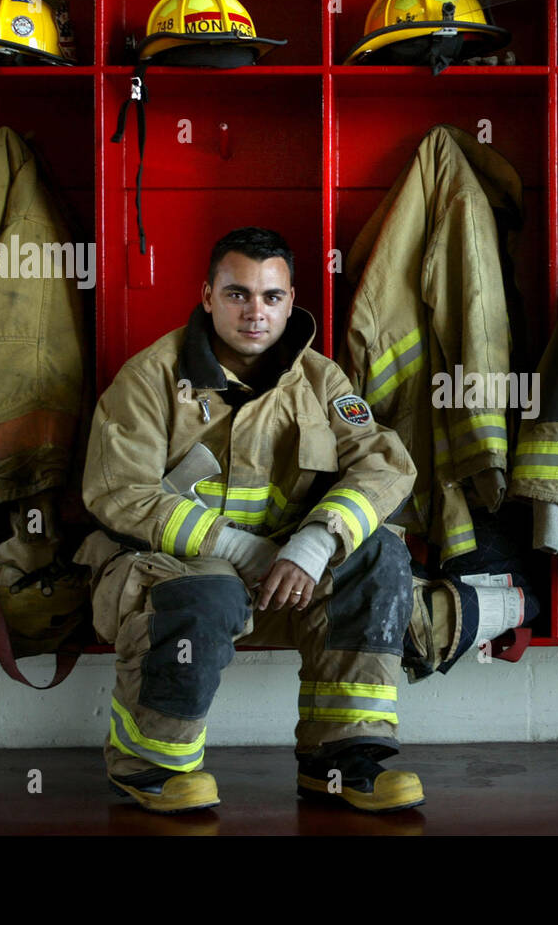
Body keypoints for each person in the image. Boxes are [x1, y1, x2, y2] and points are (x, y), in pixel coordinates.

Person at [73, 227, 422, 815]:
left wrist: (316, 541)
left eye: (271, 297)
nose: (255, 312)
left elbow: (386, 465)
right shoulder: (151, 378)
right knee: (201, 591)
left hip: (292, 578)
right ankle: (153, 765)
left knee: (380, 554)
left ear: (291, 301)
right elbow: (117, 492)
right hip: (179, 572)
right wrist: (236, 548)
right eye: (237, 294)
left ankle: (340, 762)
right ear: (207, 296)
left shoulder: (321, 379)